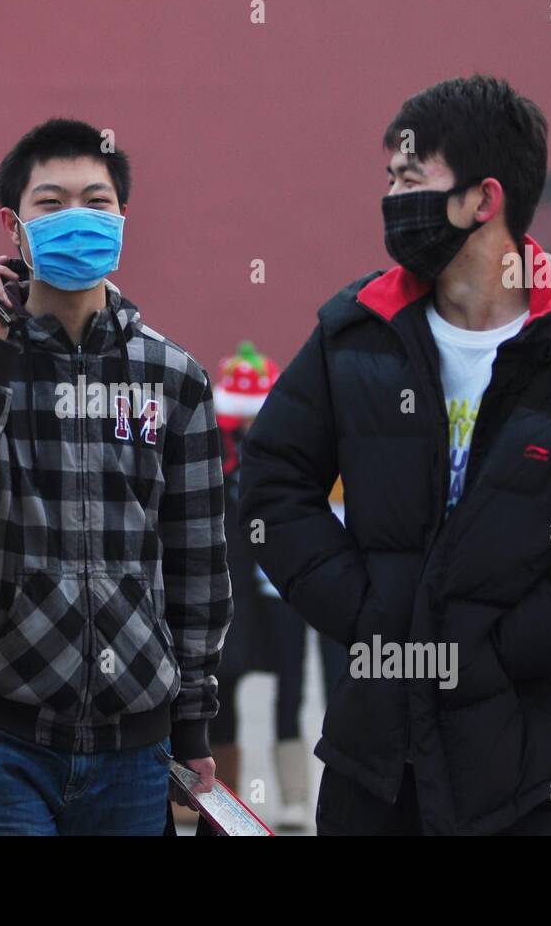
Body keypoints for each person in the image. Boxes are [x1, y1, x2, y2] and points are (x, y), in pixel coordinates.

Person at [239, 75, 551, 836]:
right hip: (376, 764)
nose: (391, 197)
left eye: (411, 179)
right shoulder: (354, 333)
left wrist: (507, 645)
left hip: (539, 766)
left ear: (483, 200)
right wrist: (366, 613)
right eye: (388, 179)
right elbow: (271, 482)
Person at [0, 118, 232, 835]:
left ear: (123, 217)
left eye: (97, 202)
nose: (79, 219)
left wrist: (192, 726)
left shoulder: (172, 376)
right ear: (13, 224)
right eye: (51, 202)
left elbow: (197, 564)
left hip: (134, 744)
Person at [209, 340, 348, 830]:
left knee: (340, 688)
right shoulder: (227, 458)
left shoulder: (316, 446)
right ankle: (289, 796)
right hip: (276, 592)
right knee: (284, 691)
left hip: (337, 589)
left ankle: (334, 790)